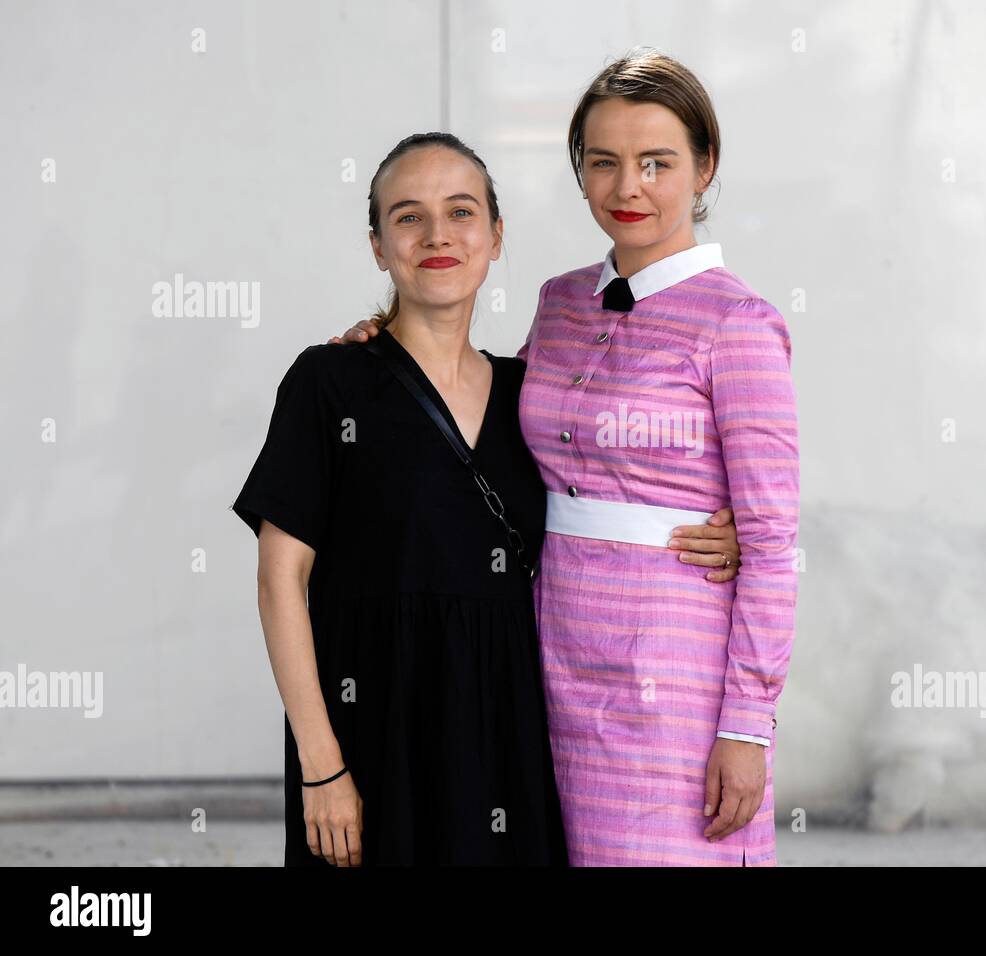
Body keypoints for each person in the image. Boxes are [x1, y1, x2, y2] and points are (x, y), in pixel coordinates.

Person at [336, 49, 799, 866]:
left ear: (705, 168)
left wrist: (746, 726)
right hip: (548, 653)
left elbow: (771, 544)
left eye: (657, 162)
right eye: (604, 163)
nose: (629, 188)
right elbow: (483, 425)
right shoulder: (559, 302)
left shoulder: (741, 326)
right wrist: (386, 347)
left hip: (673, 672)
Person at [232, 131, 744, 866]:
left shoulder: (527, 395)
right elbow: (279, 580)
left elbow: (602, 498)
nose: (437, 234)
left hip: (507, 739)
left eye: (461, 212)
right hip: (370, 733)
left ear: (496, 236)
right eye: (407, 217)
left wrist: (710, 534)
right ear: (378, 246)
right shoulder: (328, 382)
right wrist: (323, 765)